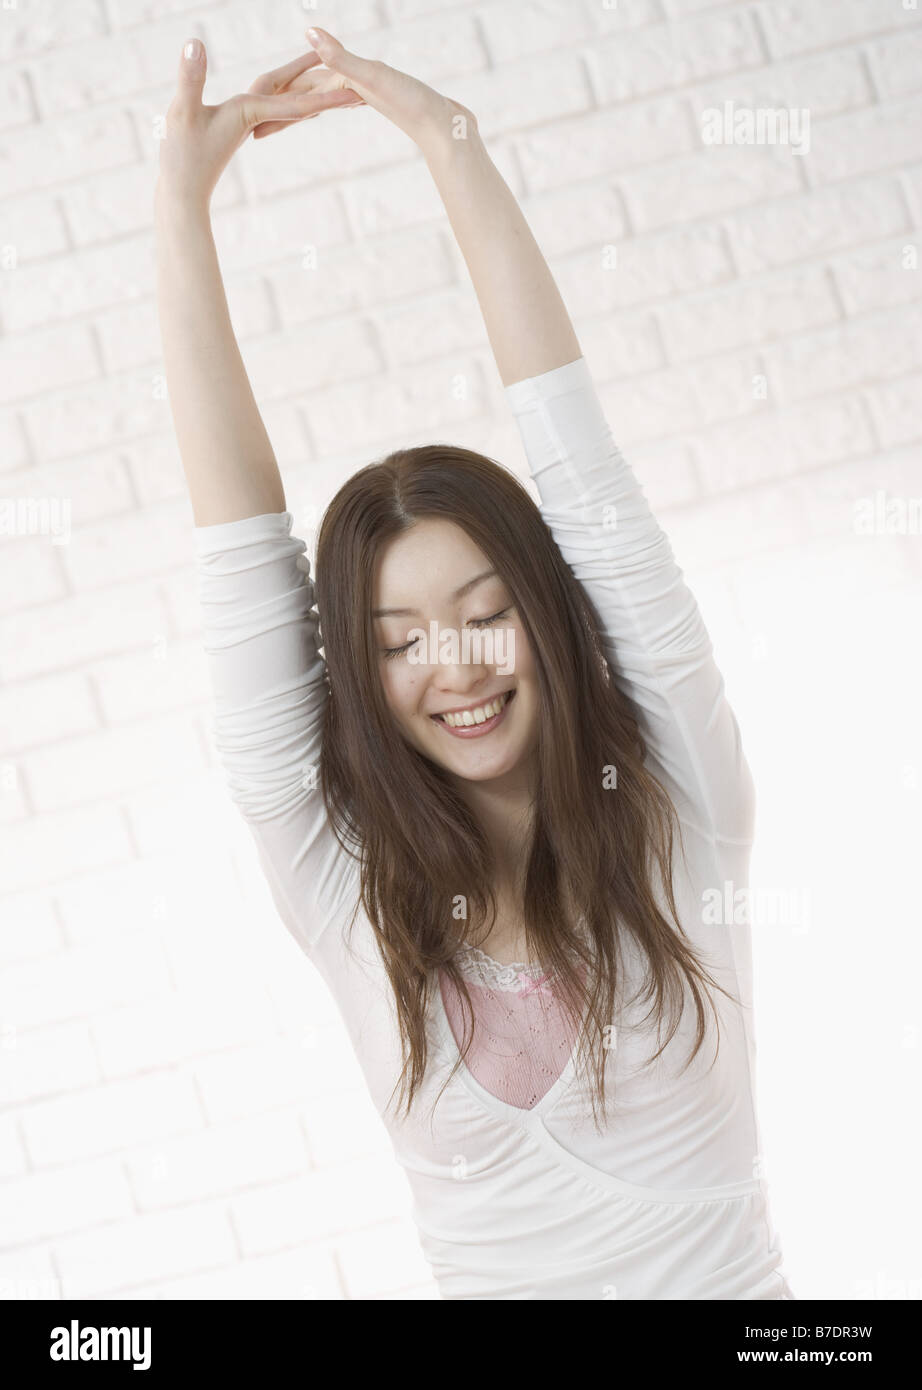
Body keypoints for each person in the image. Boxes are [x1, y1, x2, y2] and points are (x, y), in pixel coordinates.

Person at [155, 25, 795, 1301]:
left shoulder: (681, 799)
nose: (451, 665)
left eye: (485, 611)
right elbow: (236, 549)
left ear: (551, 618)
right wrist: (179, 201)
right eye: (394, 641)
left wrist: (451, 145)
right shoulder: (347, 885)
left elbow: (587, 479)